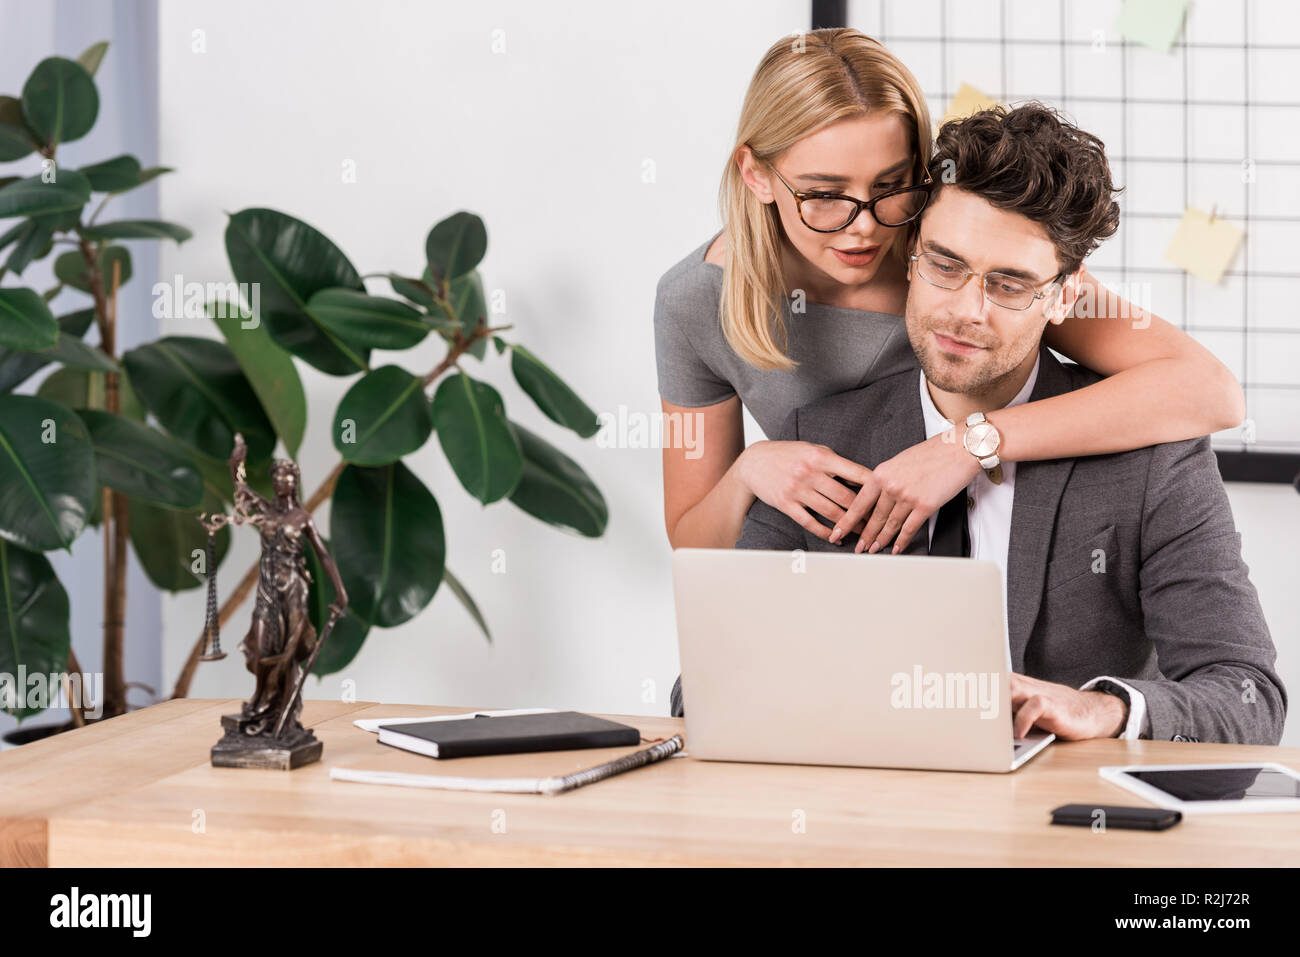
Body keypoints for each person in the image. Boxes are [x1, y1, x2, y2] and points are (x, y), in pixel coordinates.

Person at [656, 28, 1245, 719]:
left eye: (891, 188)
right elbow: (703, 595)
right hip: (843, 558)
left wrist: (967, 444)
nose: (862, 229)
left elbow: (1208, 391)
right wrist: (750, 471)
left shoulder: (966, 235)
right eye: (822, 194)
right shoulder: (700, 303)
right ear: (757, 174)